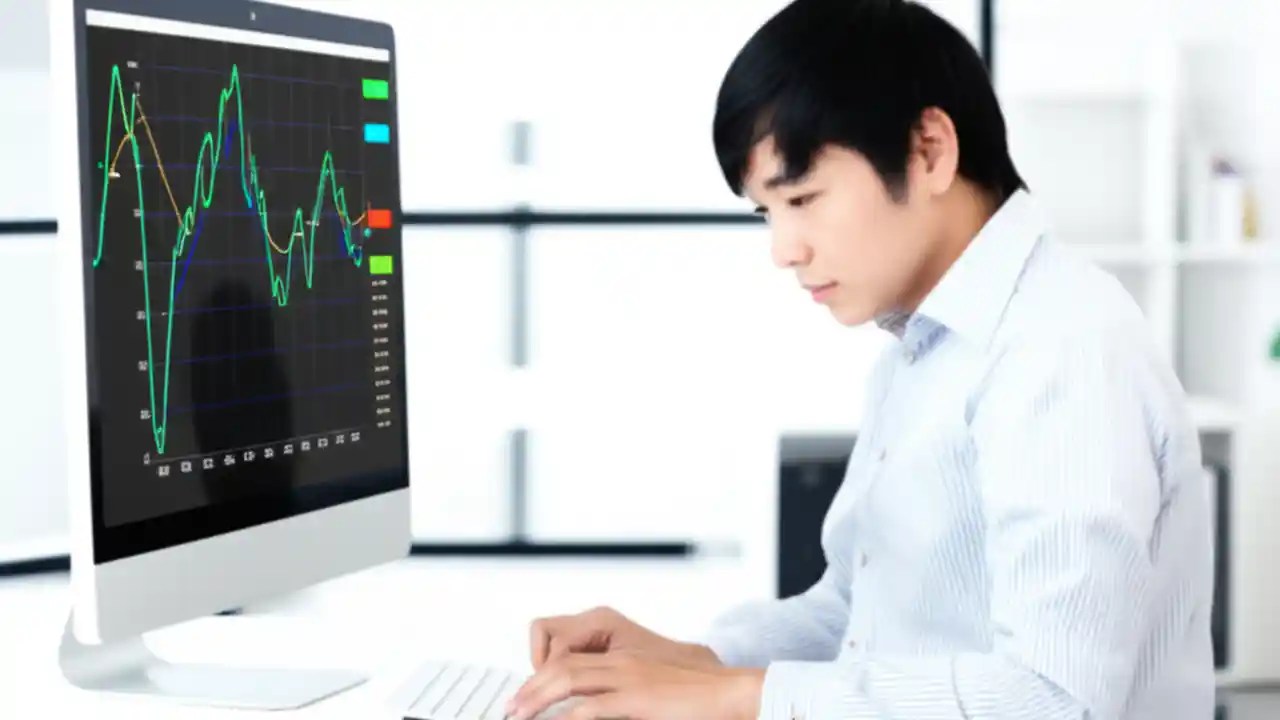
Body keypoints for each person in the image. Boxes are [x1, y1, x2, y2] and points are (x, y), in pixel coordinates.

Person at [505, 0, 1215, 718]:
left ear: (930, 151)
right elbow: (859, 619)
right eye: (767, 213)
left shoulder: (1061, 348)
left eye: (804, 197)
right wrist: (688, 662)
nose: (784, 249)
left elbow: (1054, 699)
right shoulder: (922, 351)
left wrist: (733, 697)